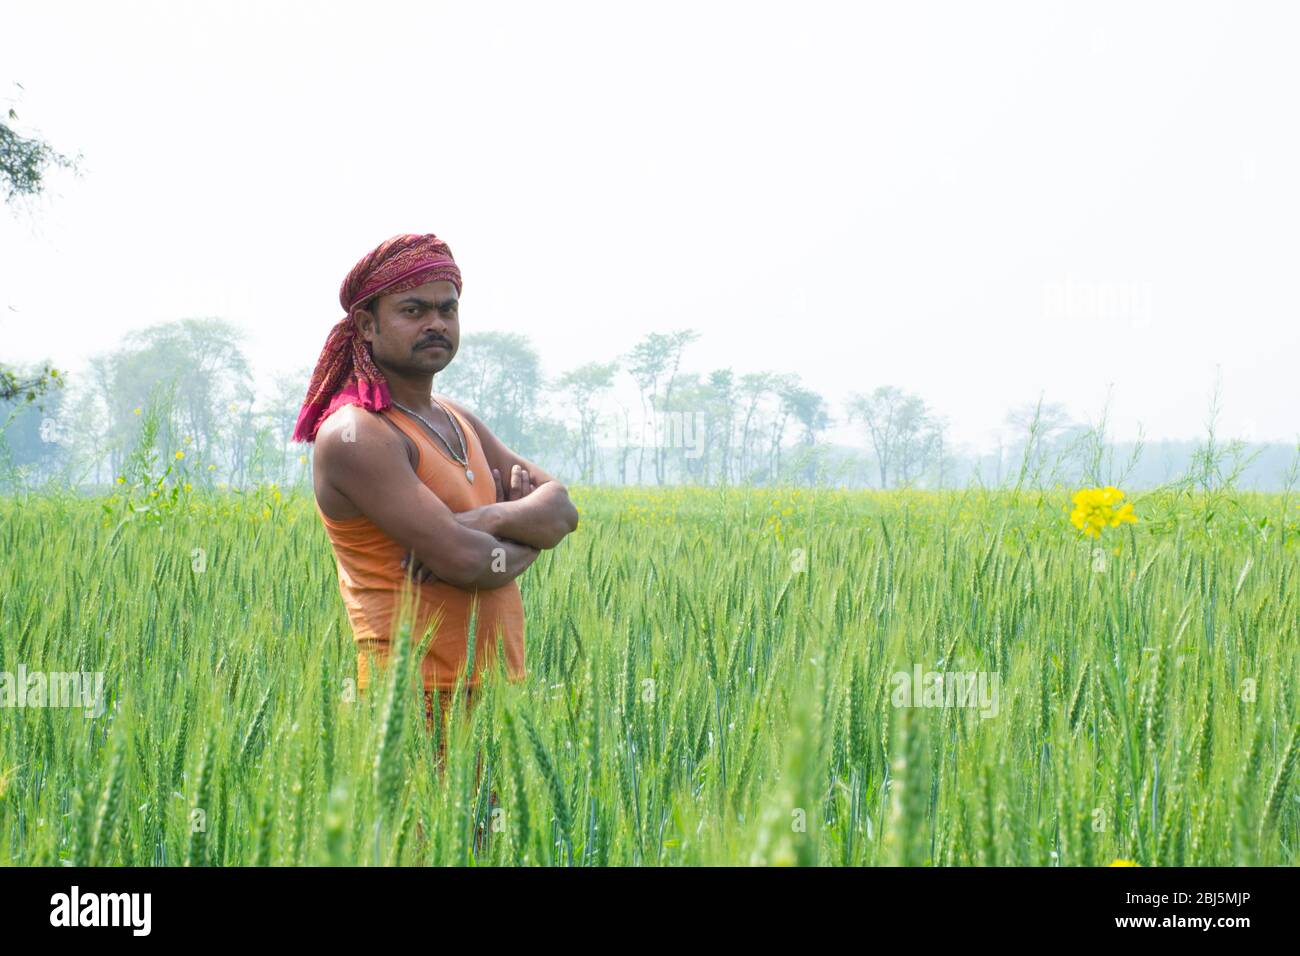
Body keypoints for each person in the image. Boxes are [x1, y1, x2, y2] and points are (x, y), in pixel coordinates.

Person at [294, 234, 579, 793]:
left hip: (498, 686)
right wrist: (512, 526)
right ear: (367, 327)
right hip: (416, 697)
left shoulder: (457, 417)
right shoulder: (356, 434)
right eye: (413, 309)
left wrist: (486, 521)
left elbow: (562, 509)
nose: (436, 323)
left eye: (447, 308)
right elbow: (464, 562)